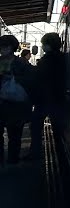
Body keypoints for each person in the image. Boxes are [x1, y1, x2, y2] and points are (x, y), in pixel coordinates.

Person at [28, 32, 66, 161]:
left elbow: (39, 78)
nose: (42, 46)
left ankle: (35, 153)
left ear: (49, 45)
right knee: (57, 129)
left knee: (35, 126)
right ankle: (60, 154)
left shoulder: (47, 60)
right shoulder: (63, 58)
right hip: (58, 98)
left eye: (43, 44)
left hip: (44, 99)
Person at [0, 35, 35, 165]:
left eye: (5, 47)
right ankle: (4, 160)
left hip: (15, 105)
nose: (2, 49)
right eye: (1, 47)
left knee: (14, 135)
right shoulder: (20, 62)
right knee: (12, 135)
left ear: (12, 48)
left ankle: (12, 160)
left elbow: (30, 81)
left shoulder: (21, 63)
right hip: (4, 103)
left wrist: (14, 79)